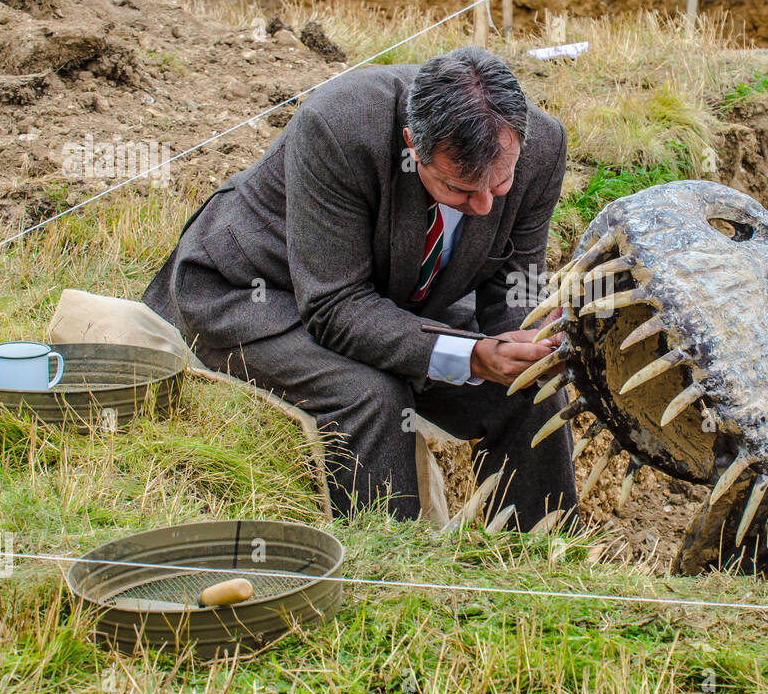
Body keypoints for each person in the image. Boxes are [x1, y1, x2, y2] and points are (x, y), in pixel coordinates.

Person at [142, 47, 578, 529]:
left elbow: (515, 283)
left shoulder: (542, 147)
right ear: (414, 146)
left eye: (498, 186)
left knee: (532, 390)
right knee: (373, 397)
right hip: (253, 290)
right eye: (457, 189)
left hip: (388, 291)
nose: (481, 207)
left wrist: (528, 344)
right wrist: (474, 355)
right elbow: (335, 305)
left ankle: (542, 557)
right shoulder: (340, 127)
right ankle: (392, 570)